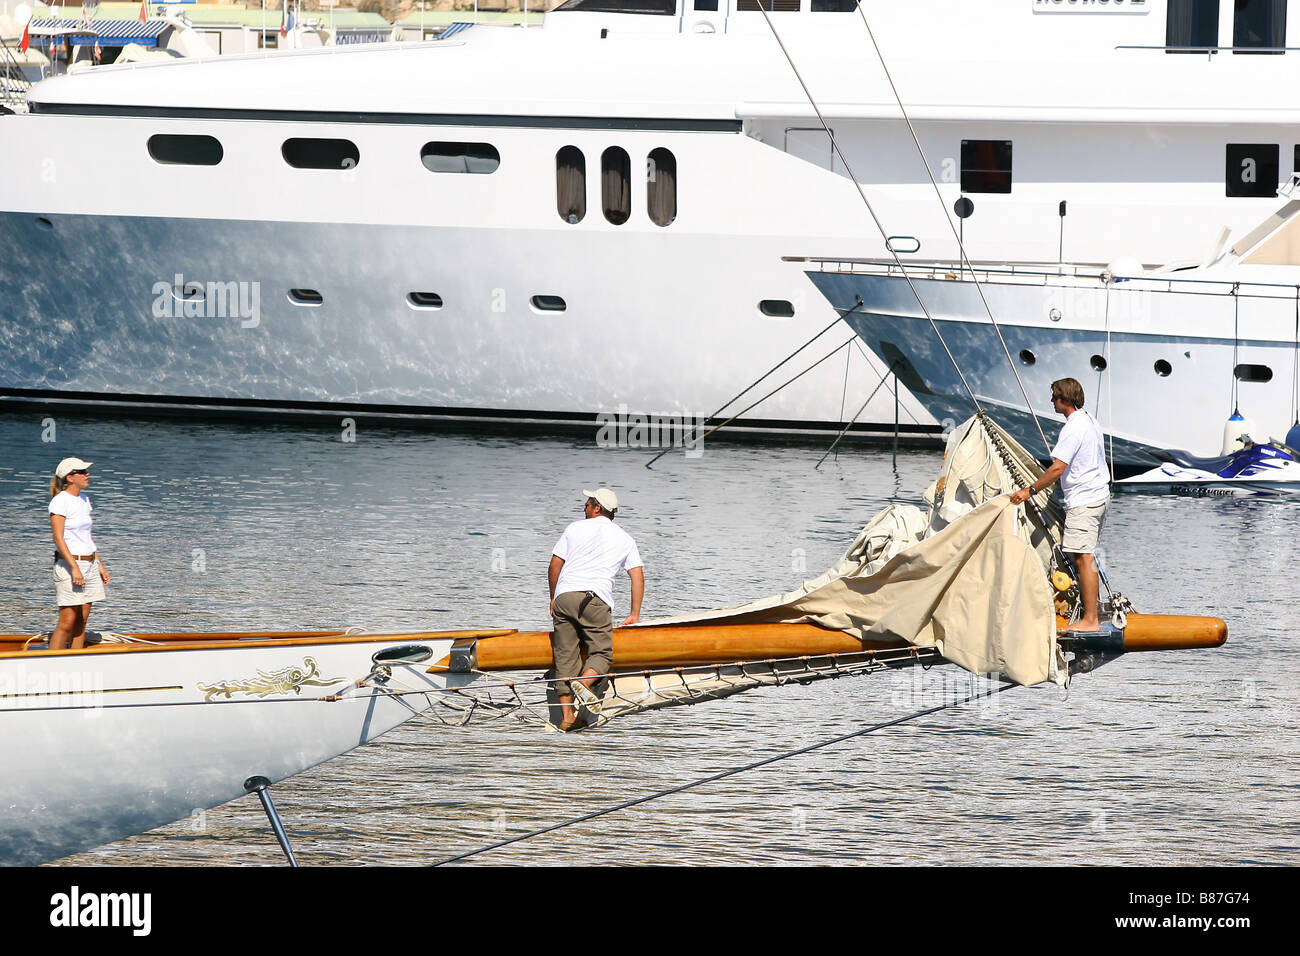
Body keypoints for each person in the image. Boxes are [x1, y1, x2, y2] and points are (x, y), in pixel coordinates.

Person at [1009, 378, 1109, 632]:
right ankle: (1092, 610)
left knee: (1084, 558)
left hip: (1084, 501)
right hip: (1099, 496)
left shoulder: (1074, 428)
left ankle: (1091, 620)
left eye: (1054, 397)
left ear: (1064, 399)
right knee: (1085, 556)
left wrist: (1029, 491)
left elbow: (1058, 468)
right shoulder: (1089, 419)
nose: (1052, 401)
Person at [548, 487, 644, 731]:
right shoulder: (625, 538)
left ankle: (567, 716)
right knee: (602, 654)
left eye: (587, 504)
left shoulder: (574, 528)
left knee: (565, 658)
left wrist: (553, 598)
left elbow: (555, 565)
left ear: (597, 507)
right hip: (594, 600)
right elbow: (637, 576)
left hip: (565, 597)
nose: (584, 507)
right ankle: (585, 681)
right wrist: (634, 614)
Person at [48, 457, 110, 650]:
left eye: (86, 471)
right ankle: (51, 663)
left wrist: (99, 564)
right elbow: (59, 539)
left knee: (82, 620)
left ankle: (75, 659)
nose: (87, 474)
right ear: (70, 477)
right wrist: (75, 568)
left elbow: (86, 536)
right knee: (68, 620)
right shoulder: (60, 502)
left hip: (89, 564)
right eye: (82, 472)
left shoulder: (84, 499)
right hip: (69, 566)